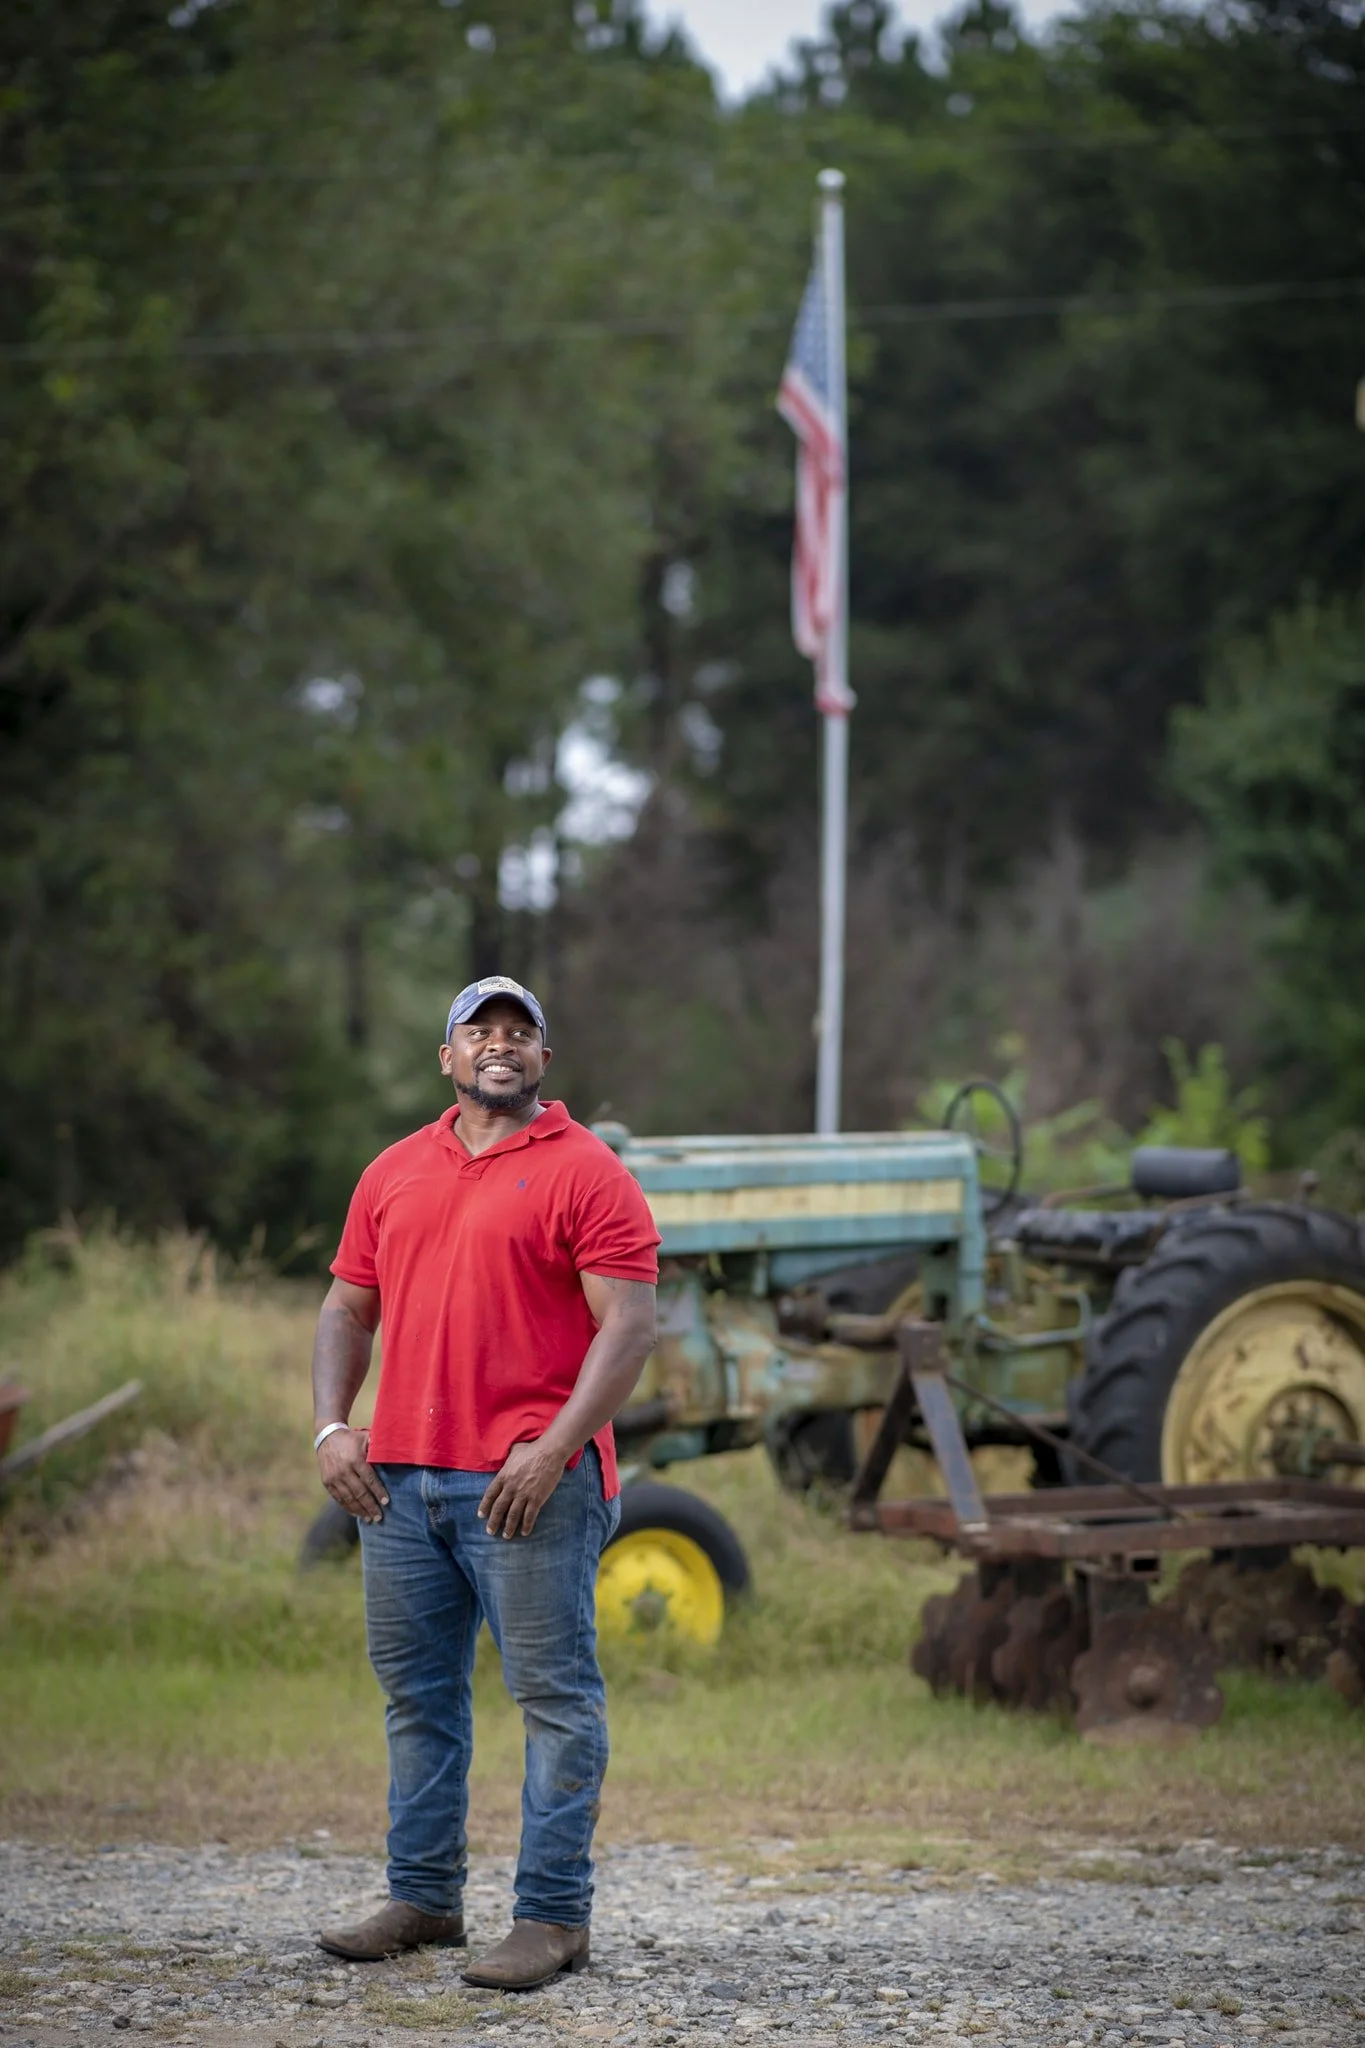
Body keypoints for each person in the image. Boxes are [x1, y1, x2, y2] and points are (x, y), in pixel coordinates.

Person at [311, 975, 659, 1990]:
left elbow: (629, 1326)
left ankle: (553, 1917)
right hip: (400, 1484)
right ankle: (422, 1897)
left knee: (553, 1699)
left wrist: (553, 1447)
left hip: (530, 1487)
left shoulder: (588, 1171)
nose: (499, 1045)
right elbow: (345, 1309)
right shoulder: (392, 1171)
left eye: (520, 1032)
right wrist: (334, 1425)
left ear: (544, 1058)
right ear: (447, 1056)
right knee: (417, 1697)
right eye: (480, 1030)